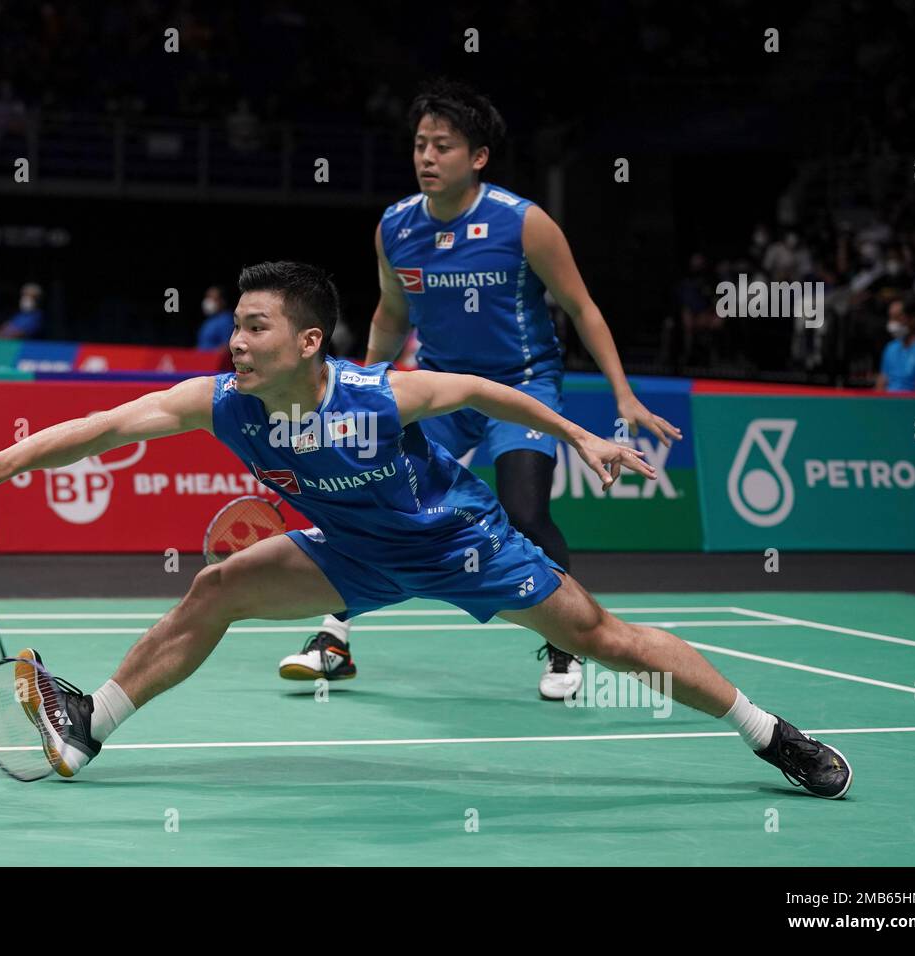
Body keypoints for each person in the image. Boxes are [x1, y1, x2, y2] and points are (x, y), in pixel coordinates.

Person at [0, 260, 853, 800]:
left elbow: (482, 392)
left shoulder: (380, 396)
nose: (237, 342)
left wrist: (579, 435)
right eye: (236, 327)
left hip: (464, 543)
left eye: (256, 328)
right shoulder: (221, 404)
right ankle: (88, 723)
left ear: (308, 343)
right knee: (216, 590)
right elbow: (106, 426)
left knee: (606, 639)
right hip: (352, 555)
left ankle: (770, 735)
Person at [277, 81, 682, 701]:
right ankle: (334, 638)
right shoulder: (396, 226)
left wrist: (623, 395)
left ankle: (564, 643)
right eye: (420, 145)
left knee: (522, 512)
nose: (427, 157)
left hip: (520, 382)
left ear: (479, 157)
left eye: (443, 146)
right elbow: (391, 314)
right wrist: (354, 391)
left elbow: (582, 307)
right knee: (378, 502)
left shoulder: (523, 223)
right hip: (438, 386)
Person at [876, 293, 915, 392]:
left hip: (910, 404)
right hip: (887, 403)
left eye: (897, 317)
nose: (892, 323)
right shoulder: (890, 347)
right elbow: (881, 383)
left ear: (913, 320)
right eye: (891, 317)